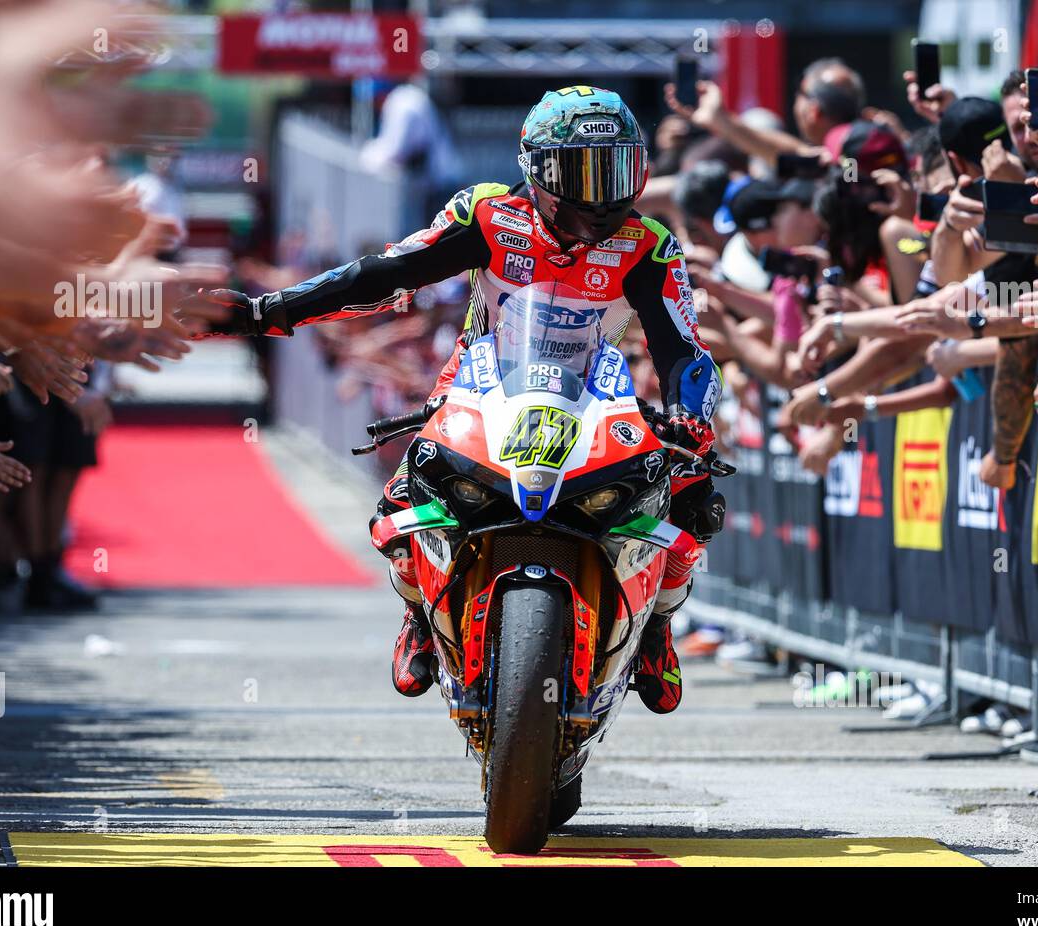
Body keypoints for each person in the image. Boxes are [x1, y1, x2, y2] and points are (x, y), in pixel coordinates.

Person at [181, 87, 725, 714]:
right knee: (403, 497)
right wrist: (263, 312)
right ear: (536, 170)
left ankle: (655, 627)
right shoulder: (488, 216)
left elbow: (682, 347)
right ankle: (418, 613)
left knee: (690, 489)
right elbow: (383, 275)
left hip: (597, 399)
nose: (602, 194)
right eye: (582, 172)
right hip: (482, 385)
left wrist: (690, 416)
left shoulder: (649, 245)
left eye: (617, 170)